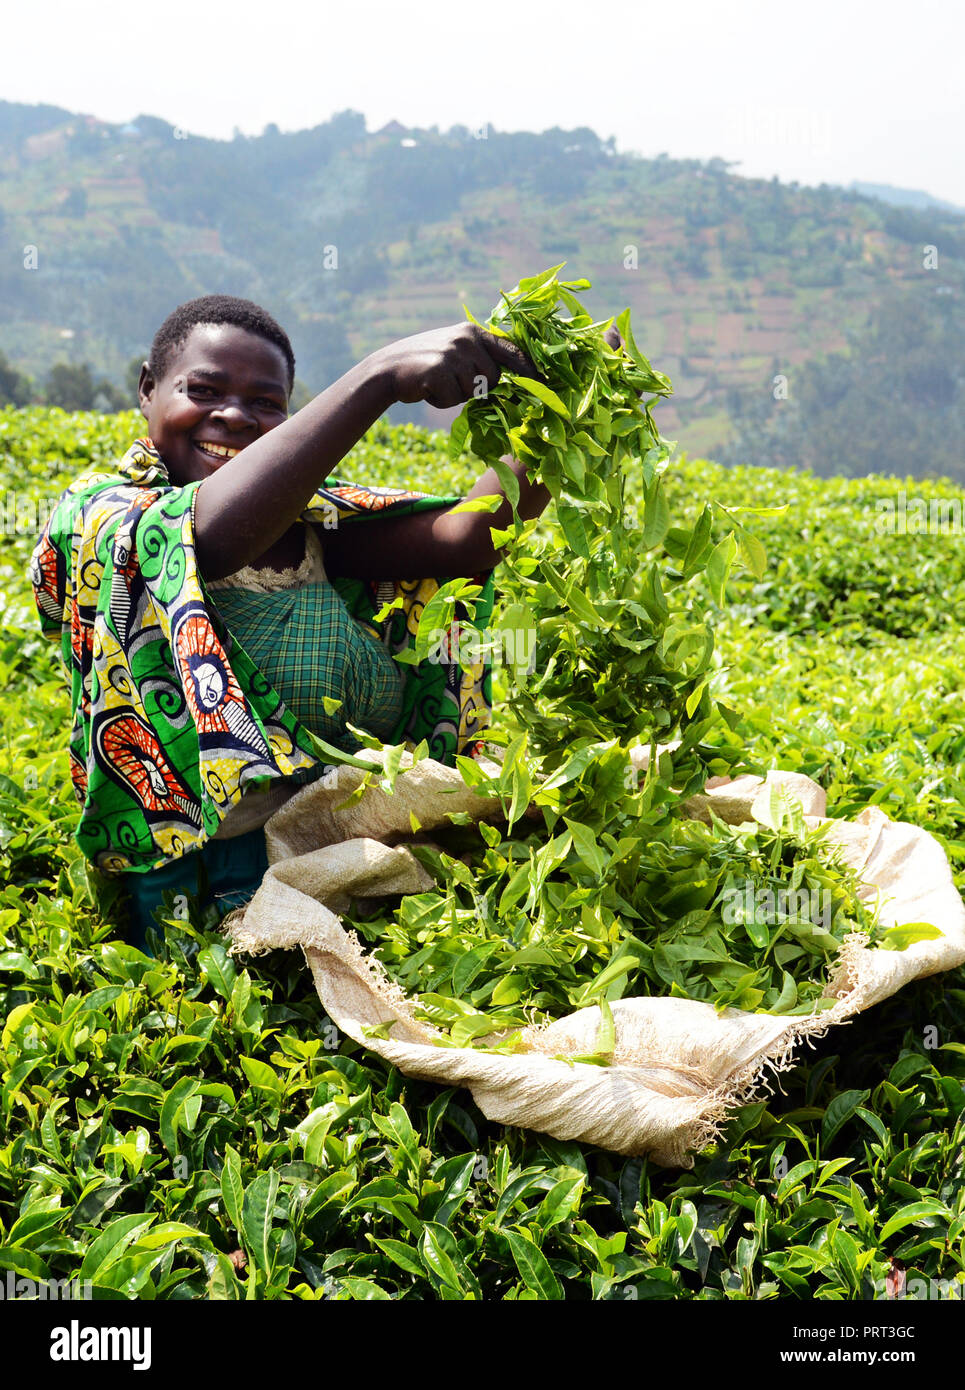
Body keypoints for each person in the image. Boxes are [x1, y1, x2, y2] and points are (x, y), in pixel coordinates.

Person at [30, 295, 553, 949]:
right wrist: (379, 378)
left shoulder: (314, 524)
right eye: (204, 390)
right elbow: (202, 540)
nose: (234, 416)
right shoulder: (103, 515)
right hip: (196, 885)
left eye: (266, 402)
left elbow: (464, 540)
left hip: (337, 856)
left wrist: (561, 412)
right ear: (147, 389)